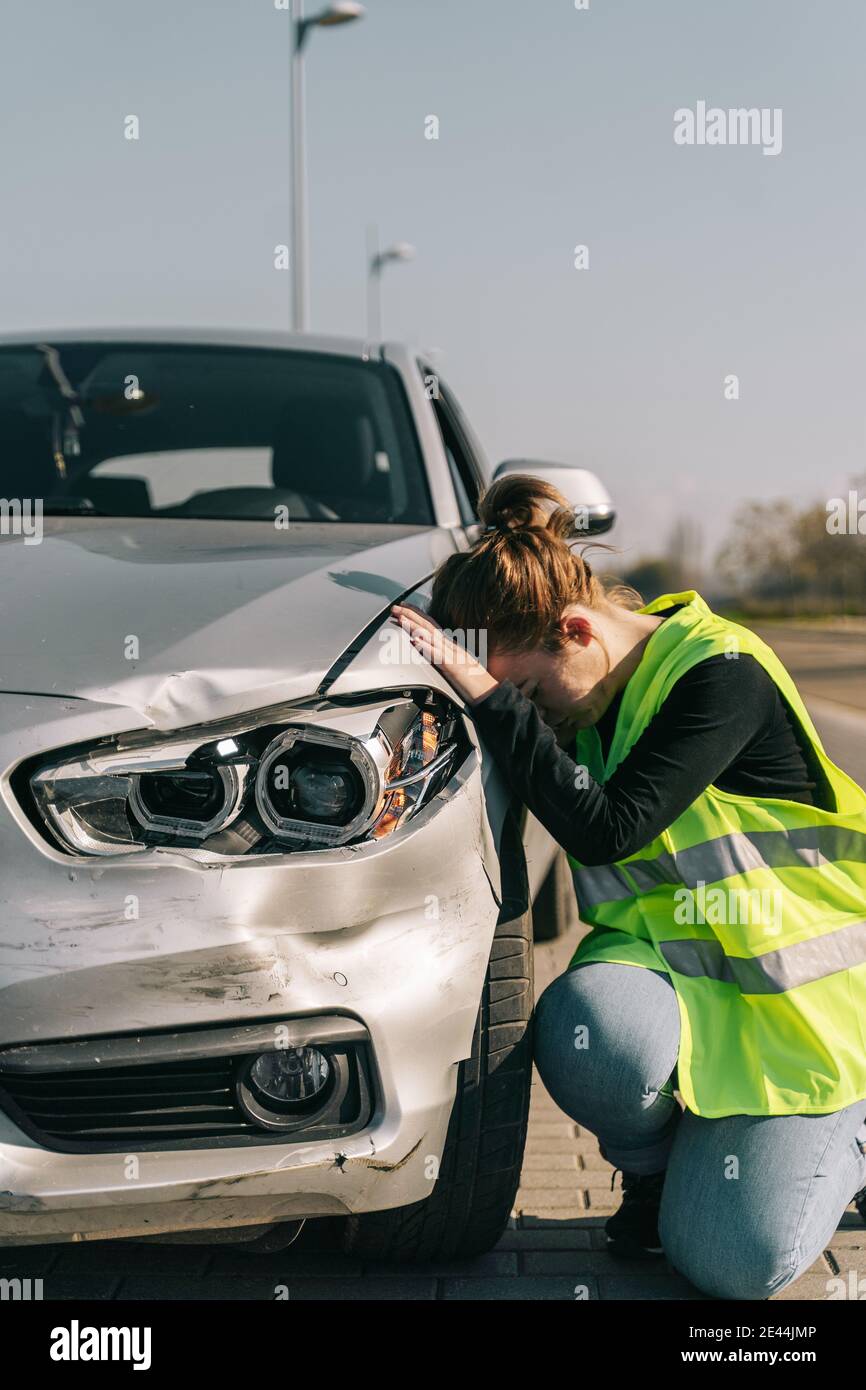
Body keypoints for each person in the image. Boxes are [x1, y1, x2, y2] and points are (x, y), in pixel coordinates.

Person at [390, 473, 866, 1301]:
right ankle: (656, 1170)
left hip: (805, 1016)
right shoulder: (594, 690)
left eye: (533, 692)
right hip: (684, 990)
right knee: (587, 1032)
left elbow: (607, 827)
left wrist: (494, 702)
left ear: (576, 629)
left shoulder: (720, 676)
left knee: (733, 1263)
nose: (536, 718)